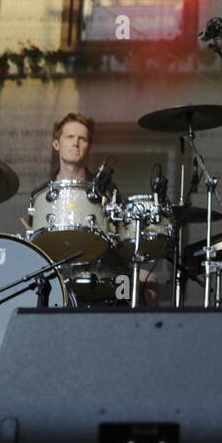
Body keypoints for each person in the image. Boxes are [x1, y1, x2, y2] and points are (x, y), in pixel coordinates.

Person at [39, 113, 158, 306]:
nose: (76, 143)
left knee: (146, 282)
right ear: (56, 144)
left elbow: (121, 236)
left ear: (88, 146)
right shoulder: (43, 195)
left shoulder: (106, 189)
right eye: (70, 137)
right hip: (60, 272)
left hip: (103, 270)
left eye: (82, 138)